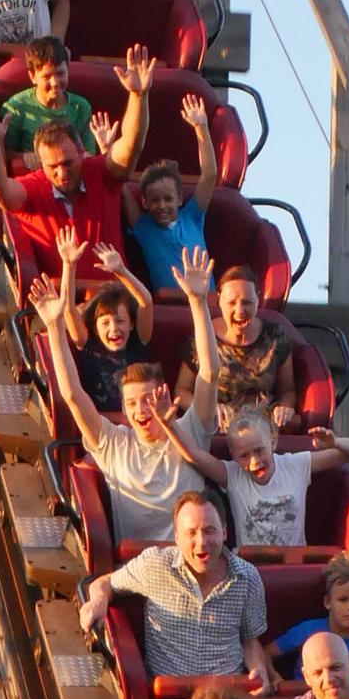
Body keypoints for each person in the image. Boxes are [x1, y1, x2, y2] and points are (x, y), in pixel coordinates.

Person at [33, 253, 219, 548]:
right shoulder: (114, 443)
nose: (140, 410)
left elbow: (209, 371)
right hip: (143, 568)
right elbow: (73, 396)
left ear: (165, 395)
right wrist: (55, 328)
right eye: (131, 404)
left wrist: (198, 302)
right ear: (123, 409)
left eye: (147, 399)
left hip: (194, 558)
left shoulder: (191, 432)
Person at [0, 51, 154, 269]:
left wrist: (138, 97)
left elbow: (131, 145)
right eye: (52, 167)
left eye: (68, 163)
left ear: (80, 150)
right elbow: (0, 194)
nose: (62, 173)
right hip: (60, 298)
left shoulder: (101, 174)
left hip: (115, 298)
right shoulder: (34, 188)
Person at [80, 490, 273, 685]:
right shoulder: (155, 564)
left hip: (227, 696)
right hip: (173, 695)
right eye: (191, 533)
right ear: (177, 537)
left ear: (224, 532)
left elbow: (250, 642)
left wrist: (258, 671)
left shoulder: (247, 577)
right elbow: (104, 583)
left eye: (209, 531)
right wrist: (98, 601)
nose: (201, 543)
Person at [216, 414, 349, 554]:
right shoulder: (232, 474)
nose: (255, 461)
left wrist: (335, 443)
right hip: (251, 565)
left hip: (294, 562)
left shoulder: (295, 464)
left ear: (272, 442)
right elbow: (195, 456)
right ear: (234, 455)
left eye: (259, 451)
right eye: (244, 456)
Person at [176, 267, 301, 425]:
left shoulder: (276, 336)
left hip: (261, 426)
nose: (239, 311)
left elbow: (287, 391)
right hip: (215, 425)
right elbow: (181, 392)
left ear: (258, 300)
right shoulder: (203, 337)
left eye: (247, 302)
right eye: (231, 303)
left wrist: (284, 409)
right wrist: (208, 407)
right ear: (219, 300)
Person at [49, 229, 155, 411]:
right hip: (103, 425)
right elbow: (68, 309)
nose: (114, 329)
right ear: (96, 329)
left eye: (120, 321)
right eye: (105, 323)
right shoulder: (89, 345)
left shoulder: (139, 342)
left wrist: (121, 271)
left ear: (131, 325)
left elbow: (146, 301)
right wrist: (69, 265)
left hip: (140, 421)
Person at [122, 103, 220, 292]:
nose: (162, 206)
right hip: (170, 305)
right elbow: (120, 185)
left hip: (206, 301)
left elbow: (210, 174)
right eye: (155, 200)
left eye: (168, 199)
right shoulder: (144, 228)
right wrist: (106, 149)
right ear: (144, 202)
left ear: (179, 199)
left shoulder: (192, 216)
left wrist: (201, 129)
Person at [0, 34, 96, 166]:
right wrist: (26, 157)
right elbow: (5, 153)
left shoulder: (81, 107)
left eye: (60, 74)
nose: (55, 83)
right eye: (47, 77)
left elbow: (89, 153)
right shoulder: (16, 107)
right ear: (33, 76)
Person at [273, 555, 349, 678]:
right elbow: (267, 654)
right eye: (343, 599)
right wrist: (276, 679)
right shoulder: (308, 630)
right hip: (301, 695)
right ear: (328, 602)